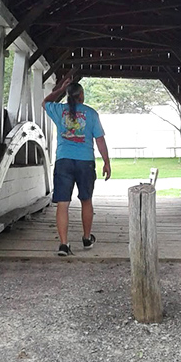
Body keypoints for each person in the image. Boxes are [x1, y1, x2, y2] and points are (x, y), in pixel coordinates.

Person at [42, 74, 111, 256]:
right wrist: (106, 162)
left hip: (63, 161)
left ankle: (64, 244)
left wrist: (59, 89)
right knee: (86, 200)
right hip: (85, 162)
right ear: (81, 96)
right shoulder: (91, 113)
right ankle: (87, 238)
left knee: (62, 204)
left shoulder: (59, 110)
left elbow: (45, 102)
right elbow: (100, 140)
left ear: (67, 95)